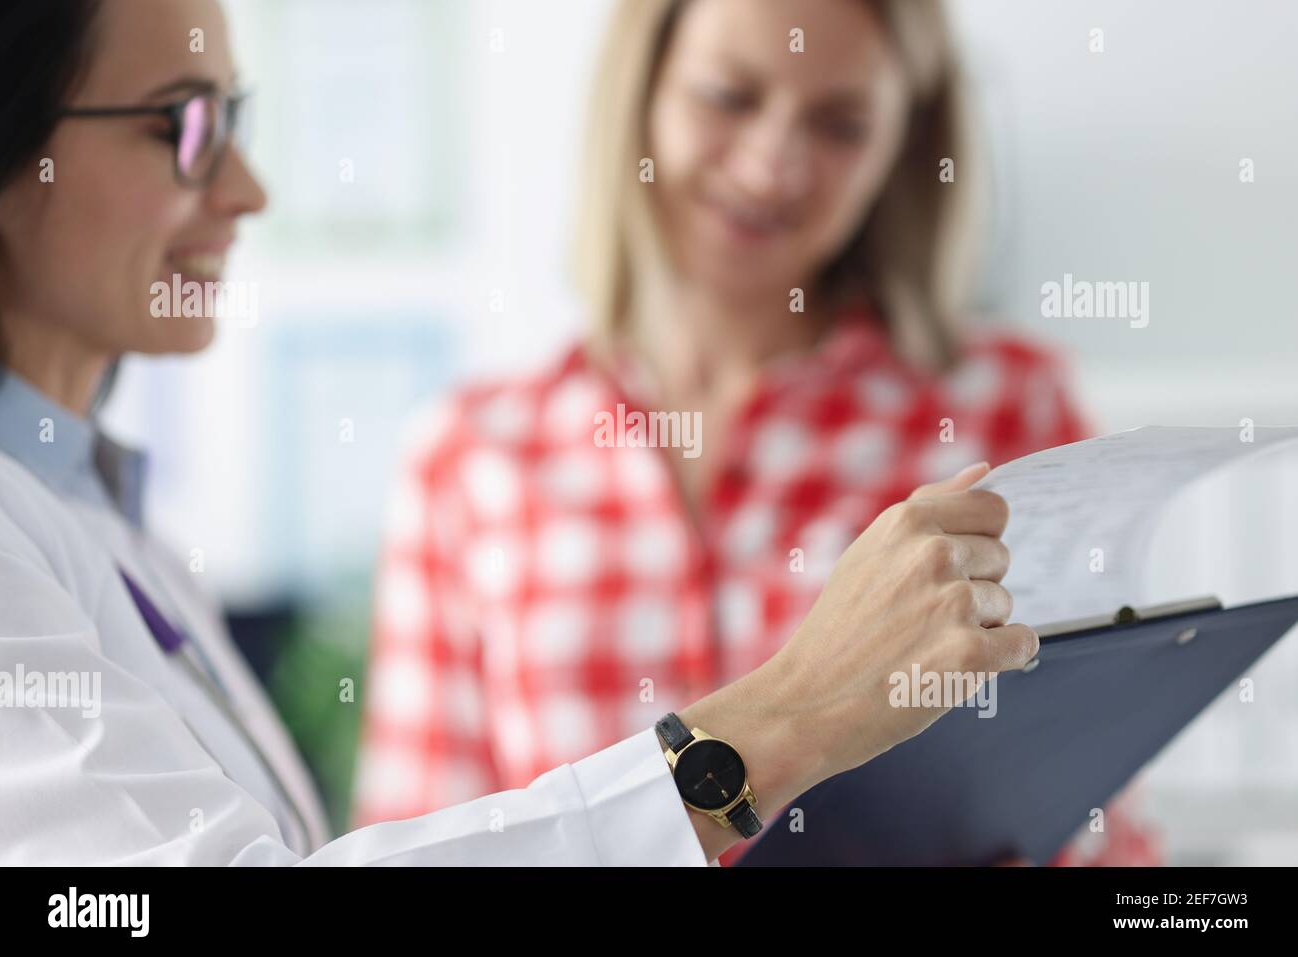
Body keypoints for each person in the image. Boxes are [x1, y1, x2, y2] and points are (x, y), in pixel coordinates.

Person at [0, 0, 1037, 866]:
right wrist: (784, 722)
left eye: (235, 119)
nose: (247, 189)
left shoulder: (103, 514)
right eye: (178, 125)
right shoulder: (476, 451)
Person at [353, 0, 1159, 865]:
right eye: (728, 97)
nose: (774, 166)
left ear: (901, 147)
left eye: (841, 124)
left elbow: (1104, 837)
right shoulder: (472, 455)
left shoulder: (1009, 412)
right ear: (641, 96)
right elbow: (433, 841)